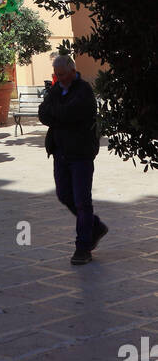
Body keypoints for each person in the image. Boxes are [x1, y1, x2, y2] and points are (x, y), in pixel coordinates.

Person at [38, 54, 108, 265]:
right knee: (64, 195)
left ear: (72, 71)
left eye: (62, 75)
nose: (59, 79)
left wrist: (57, 114)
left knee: (82, 202)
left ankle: (83, 247)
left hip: (81, 153)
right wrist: (59, 114)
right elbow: (43, 113)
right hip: (60, 152)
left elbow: (72, 113)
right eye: (56, 75)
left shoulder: (84, 90)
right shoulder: (56, 89)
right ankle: (95, 227)